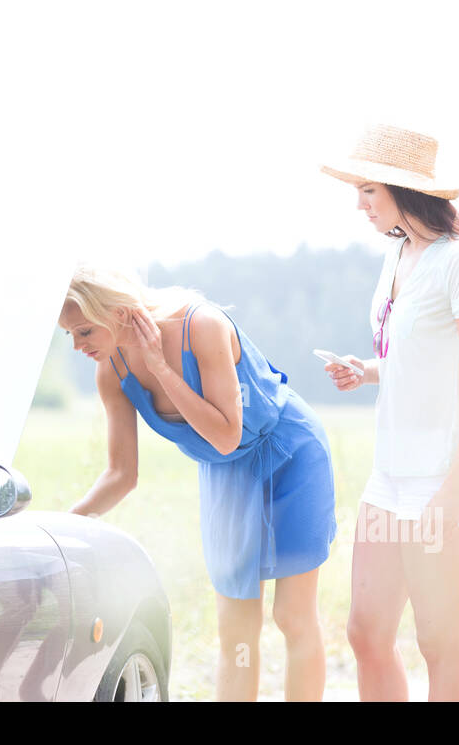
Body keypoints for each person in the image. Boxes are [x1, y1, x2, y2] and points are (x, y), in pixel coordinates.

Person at [60, 265, 338, 701]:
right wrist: (65, 525)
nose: (77, 346)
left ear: (114, 312)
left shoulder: (201, 325)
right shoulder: (110, 372)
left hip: (290, 454)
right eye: (70, 337)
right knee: (236, 631)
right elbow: (122, 474)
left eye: (83, 332)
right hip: (228, 474)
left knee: (293, 616)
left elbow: (227, 434)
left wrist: (160, 367)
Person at [319, 124, 459, 702]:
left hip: (441, 476)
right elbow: (408, 357)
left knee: (439, 642)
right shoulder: (398, 253)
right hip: (389, 475)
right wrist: (364, 370)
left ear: (401, 190)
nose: (359, 204)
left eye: (368, 190)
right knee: (367, 632)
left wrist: (451, 492)